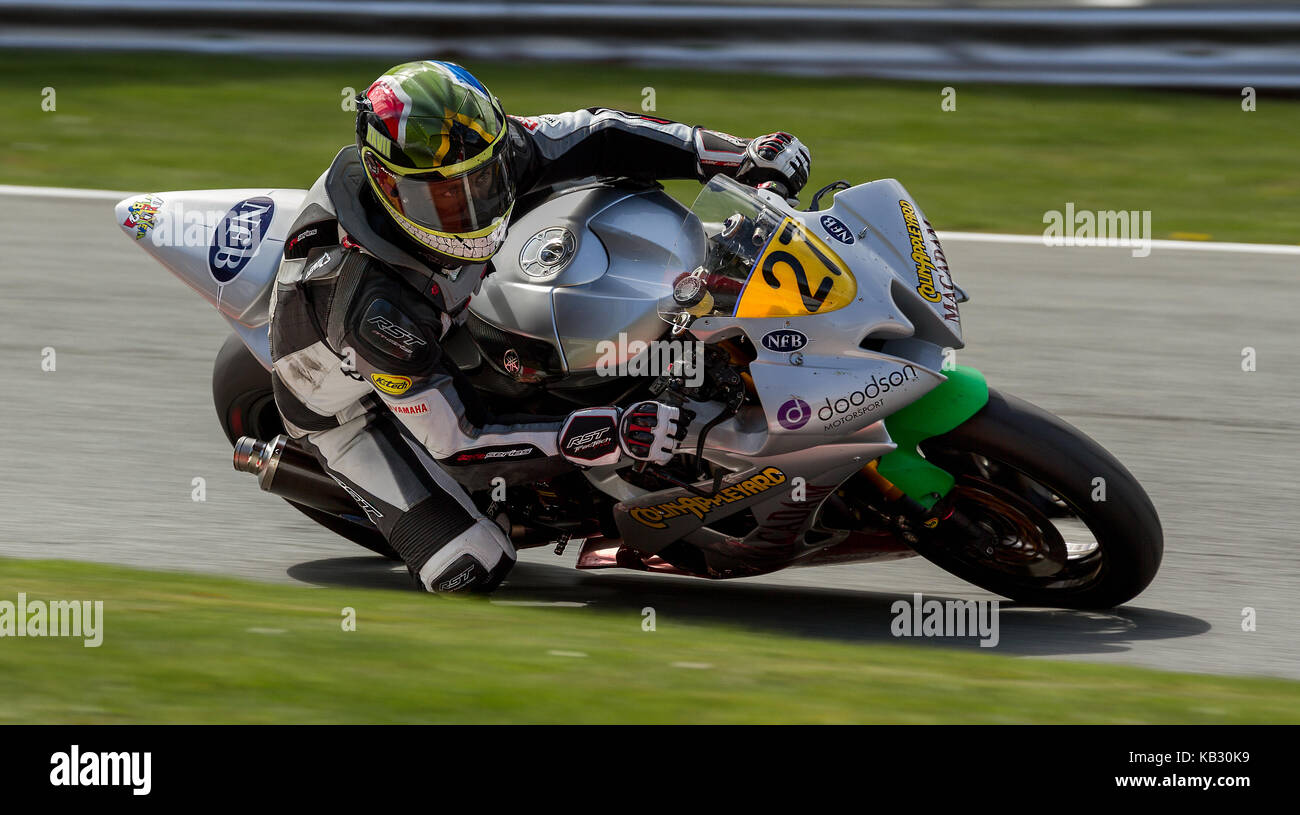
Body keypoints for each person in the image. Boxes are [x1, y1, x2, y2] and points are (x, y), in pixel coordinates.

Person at [267, 60, 811, 593]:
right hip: (350, 409)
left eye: (484, 179)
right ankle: (336, 475)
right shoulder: (377, 311)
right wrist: (611, 431)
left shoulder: (481, 152)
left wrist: (735, 155)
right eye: (448, 198)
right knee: (472, 565)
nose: (477, 204)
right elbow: (460, 441)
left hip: (449, 314)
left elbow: (598, 133)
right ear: (391, 188)